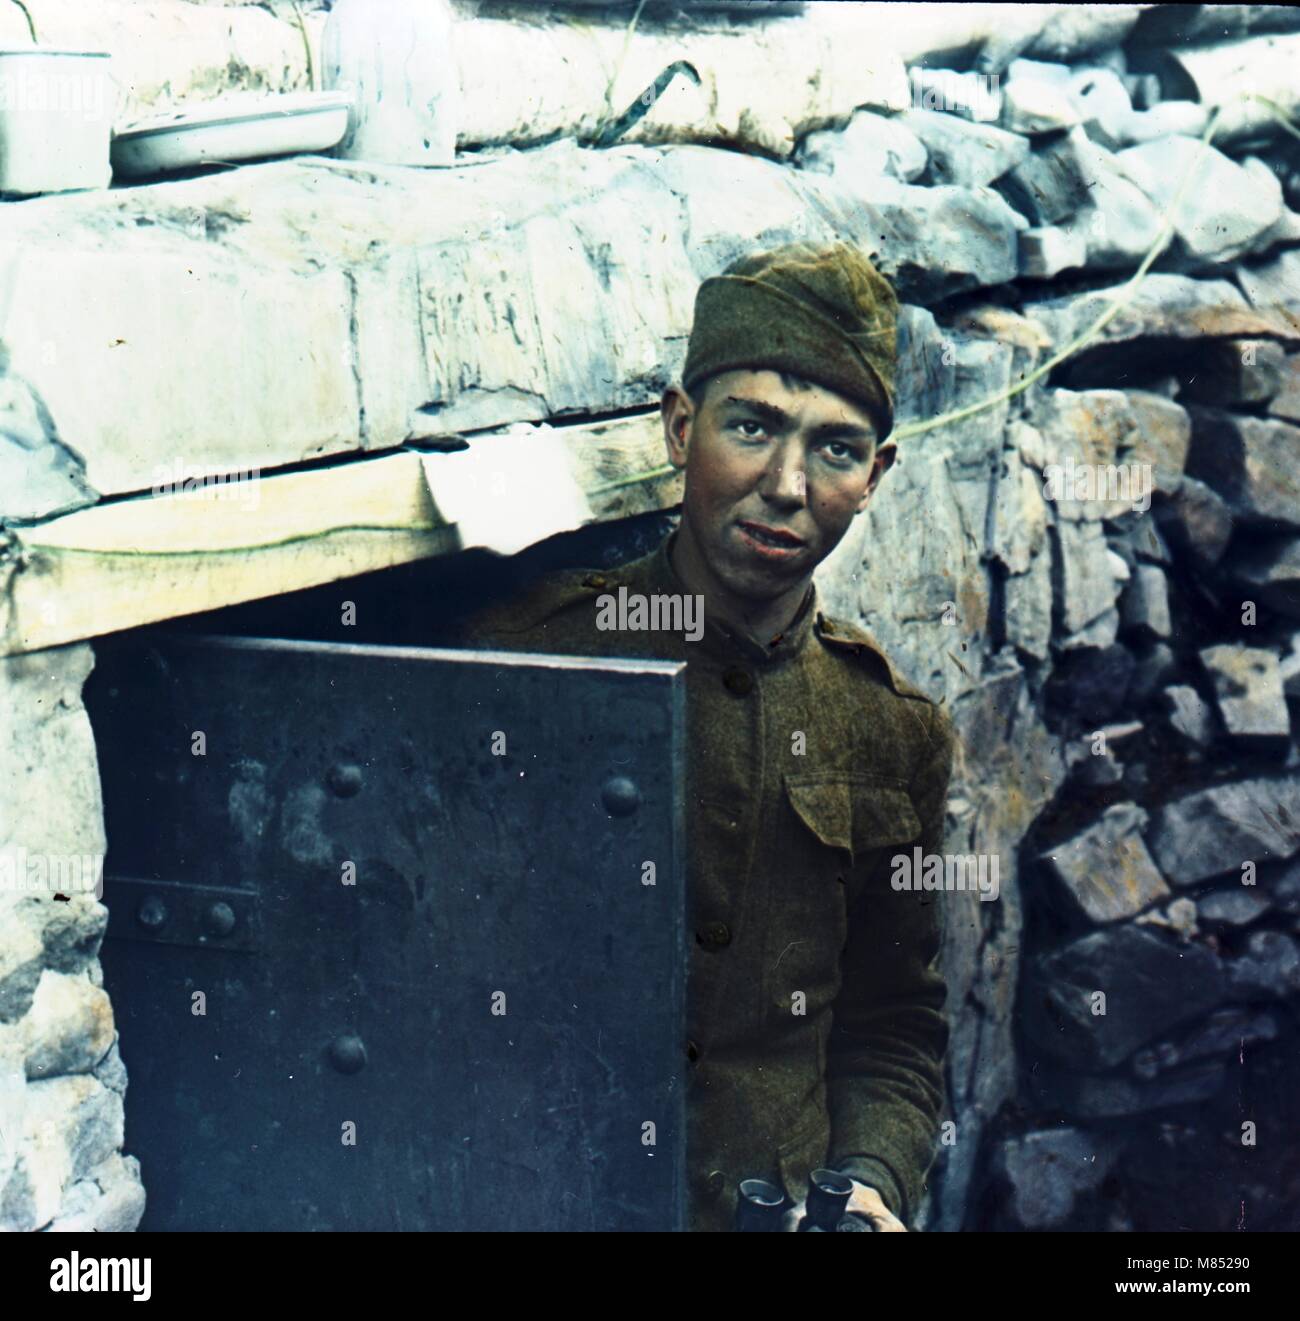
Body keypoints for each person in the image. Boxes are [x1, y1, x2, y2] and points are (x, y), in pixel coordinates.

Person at [445, 240, 956, 1233]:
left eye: (836, 448)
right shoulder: (517, 663)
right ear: (681, 427)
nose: (787, 484)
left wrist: (869, 1182)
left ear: (877, 474)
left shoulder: (891, 729)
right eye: (753, 427)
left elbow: (895, 1024)